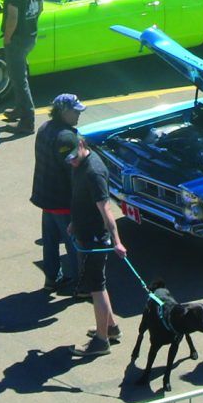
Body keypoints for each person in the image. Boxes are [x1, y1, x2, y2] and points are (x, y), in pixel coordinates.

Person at [65, 128, 124, 353]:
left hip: (95, 239)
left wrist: (117, 241)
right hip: (84, 231)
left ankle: (101, 341)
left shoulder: (94, 173)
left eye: (73, 156)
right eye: (67, 158)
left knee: (96, 287)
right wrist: (74, 221)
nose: (71, 162)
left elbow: (106, 210)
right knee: (98, 284)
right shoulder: (80, 164)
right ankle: (111, 328)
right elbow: (80, 198)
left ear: (81, 145)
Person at [29, 98, 82, 298]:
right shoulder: (67, 138)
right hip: (62, 201)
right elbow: (74, 173)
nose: (79, 115)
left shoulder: (44, 129)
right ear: (63, 111)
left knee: (50, 241)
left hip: (45, 196)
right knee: (74, 244)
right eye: (75, 111)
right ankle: (81, 285)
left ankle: (52, 279)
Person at [0, 0, 45, 127]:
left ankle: (27, 121)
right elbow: (40, 8)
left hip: (17, 39)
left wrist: (7, 37)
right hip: (31, 35)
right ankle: (19, 109)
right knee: (18, 75)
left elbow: (12, 17)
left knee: (19, 79)